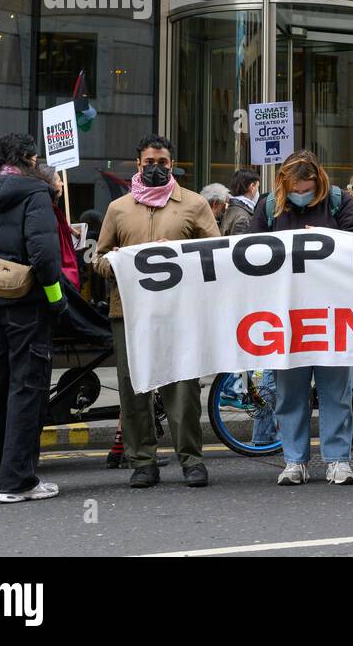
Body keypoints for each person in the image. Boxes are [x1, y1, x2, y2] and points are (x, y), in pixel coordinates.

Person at [93, 134, 220, 488]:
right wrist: (122, 263)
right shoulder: (118, 209)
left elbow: (215, 254)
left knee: (183, 387)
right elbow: (99, 259)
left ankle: (191, 460)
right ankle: (142, 462)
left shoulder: (194, 205)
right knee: (134, 388)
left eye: (162, 163)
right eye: (149, 162)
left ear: (172, 165)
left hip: (180, 311)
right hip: (129, 314)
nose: (155, 168)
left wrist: (176, 253)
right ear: (138, 165)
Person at [0, 134, 65, 503]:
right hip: (25, 306)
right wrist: (56, 301)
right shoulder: (35, 193)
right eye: (34, 158)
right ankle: (18, 482)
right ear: (25, 158)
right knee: (26, 388)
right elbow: (46, 256)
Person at [249, 150, 353, 485]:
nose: (302, 192)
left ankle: (338, 460)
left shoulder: (340, 202)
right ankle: (294, 461)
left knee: (335, 392)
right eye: (295, 187)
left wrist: (331, 241)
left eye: (307, 186)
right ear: (284, 184)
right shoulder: (270, 206)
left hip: (332, 312)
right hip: (286, 313)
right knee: (289, 393)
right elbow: (249, 250)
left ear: (319, 181)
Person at [222, 168, 259, 237]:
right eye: (257, 187)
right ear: (252, 186)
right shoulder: (242, 216)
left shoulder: (232, 208)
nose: (257, 191)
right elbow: (241, 246)